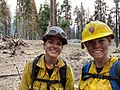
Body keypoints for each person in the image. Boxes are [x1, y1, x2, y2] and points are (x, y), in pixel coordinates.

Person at [78, 21, 120, 90]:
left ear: (109, 41)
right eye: (91, 42)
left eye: (101, 41)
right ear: (85, 45)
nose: (96, 46)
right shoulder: (86, 70)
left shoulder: (118, 69)